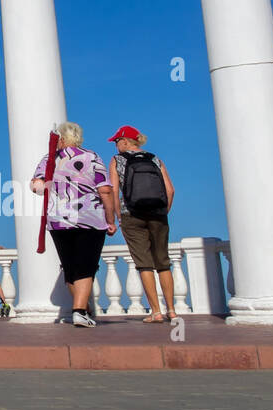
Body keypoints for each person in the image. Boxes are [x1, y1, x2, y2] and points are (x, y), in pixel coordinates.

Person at [30, 121, 116, 327]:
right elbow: (105, 190)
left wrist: (46, 185)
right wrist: (111, 219)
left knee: (70, 267)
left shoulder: (49, 160)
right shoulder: (92, 157)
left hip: (59, 220)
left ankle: (82, 310)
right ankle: (79, 311)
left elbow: (36, 186)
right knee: (86, 265)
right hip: (90, 218)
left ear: (60, 139)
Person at [106, 125, 177, 322]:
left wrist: (117, 215)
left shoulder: (117, 160)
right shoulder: (155, 159)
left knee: (144, 264)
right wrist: (163, 211)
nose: (115, 146)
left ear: (126, 141)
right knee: (163, 262)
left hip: (132, 215)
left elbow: (112, 190)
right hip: (158, 214)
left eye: (117, 141)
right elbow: (170, 190)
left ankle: (156, 312)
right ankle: (171, 310)